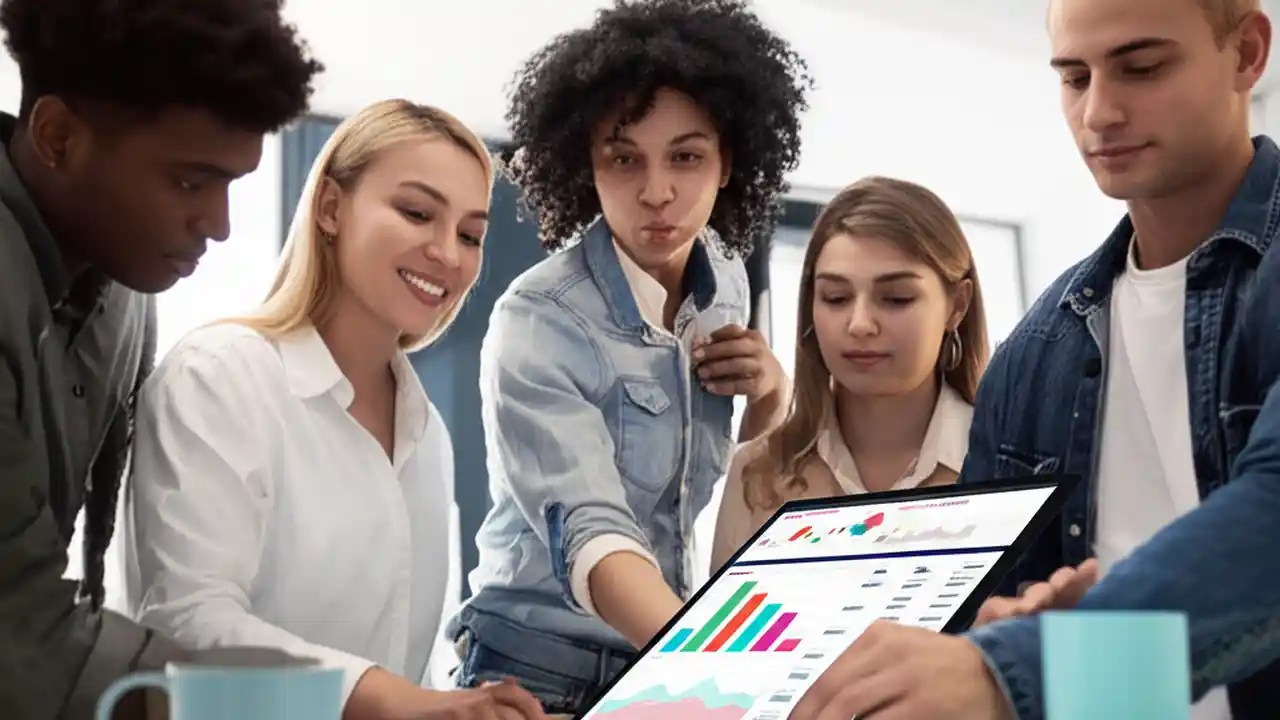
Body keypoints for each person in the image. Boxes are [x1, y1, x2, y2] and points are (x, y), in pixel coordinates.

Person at [788, 1, 1280, 719]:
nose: (1099, 113)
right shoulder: (1031, 356)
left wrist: (1013, 667)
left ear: (1247, 53)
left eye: (1142, 67)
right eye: (1074, 78)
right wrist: (1006, 625)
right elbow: (990, 612)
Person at [121, 99, 545, 720]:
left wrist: (453, 707)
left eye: (470, 235)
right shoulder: (219, 377)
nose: (449, 255)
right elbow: (187, 623)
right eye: (416, 213)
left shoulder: (427, 433)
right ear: (329, 208)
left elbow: (411, 666)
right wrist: (403, 701)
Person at [445, 0, 811, 710]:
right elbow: (593, 534)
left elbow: (743, 486)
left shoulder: (724, 280)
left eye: (686, 156)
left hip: (661, 650)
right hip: (535, 668)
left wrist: (771, 392)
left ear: (728, 162)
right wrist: (722, 672)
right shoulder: (540, 318)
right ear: (587, 164)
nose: (657, 192)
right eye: (624, 158)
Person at [0, 0, 322, 717]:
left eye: (231, 184)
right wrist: (337, 703)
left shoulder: (123, 288)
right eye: (189, 183)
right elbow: (19, 630)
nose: (219, 224)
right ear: (58, 139)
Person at [711, 177, 987, 572]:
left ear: (957, 306)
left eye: (896, 298)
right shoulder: (756, 473)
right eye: (835, 298)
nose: (859, 324)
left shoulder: (1005, 464)